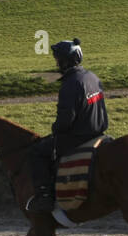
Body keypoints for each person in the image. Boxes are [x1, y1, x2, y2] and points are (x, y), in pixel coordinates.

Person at [27, 38, 109, 212]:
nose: (56, 63)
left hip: (78, 138)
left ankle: (44, 197)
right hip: (99, 133)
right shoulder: (91, 76)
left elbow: (65, 121)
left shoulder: (70, 84)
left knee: (38, 151)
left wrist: (55, 130)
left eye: (57, 59)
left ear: (65, 61)